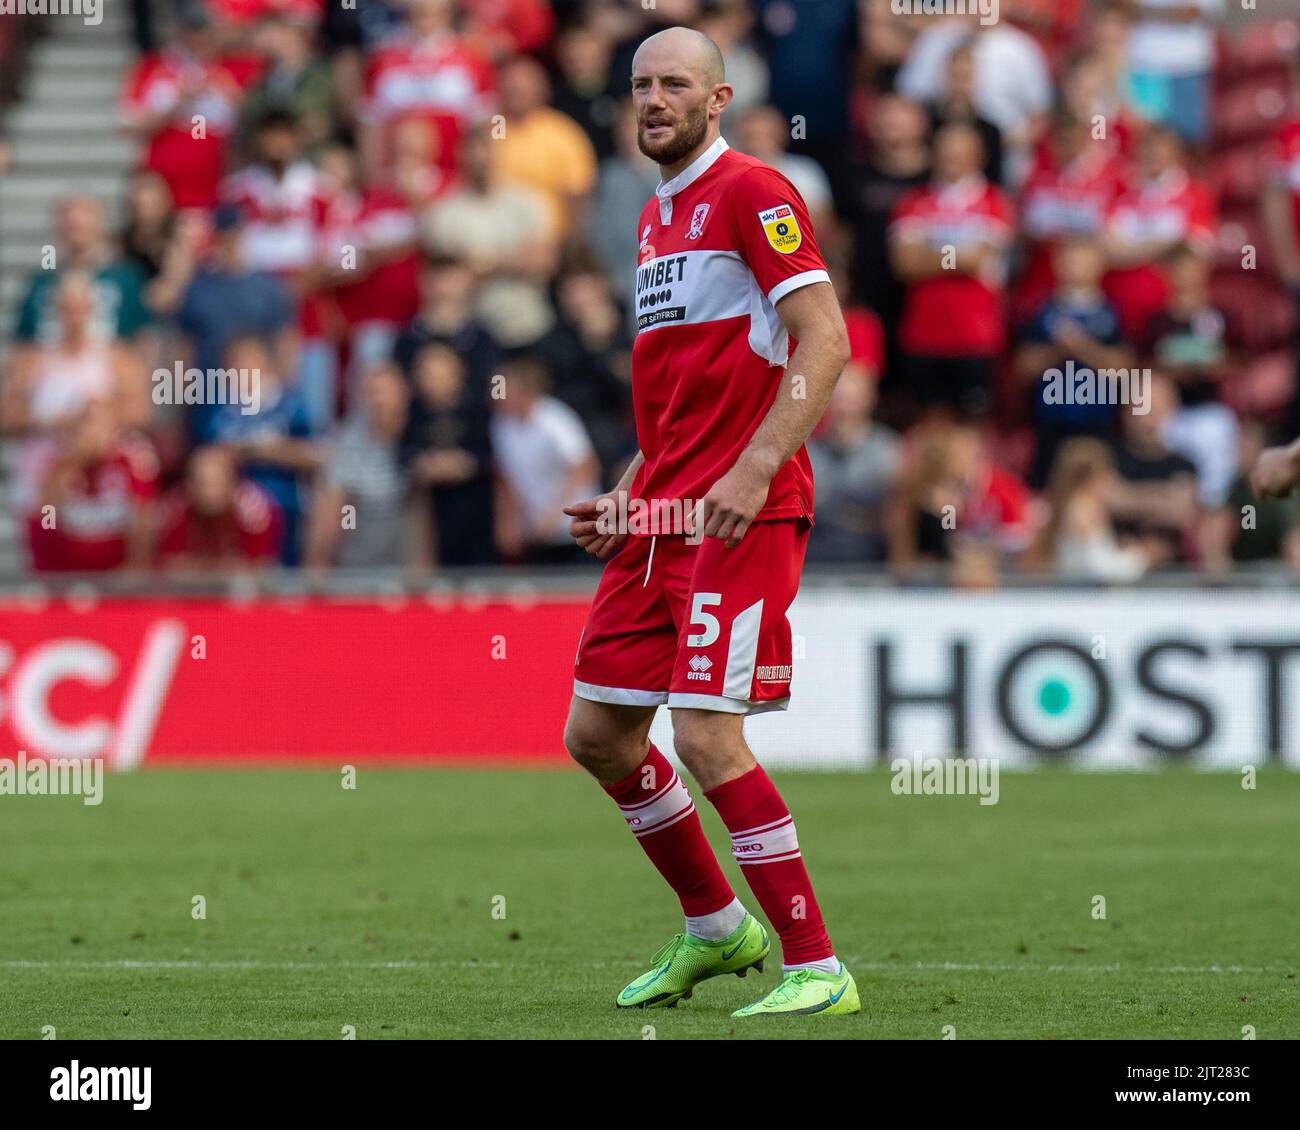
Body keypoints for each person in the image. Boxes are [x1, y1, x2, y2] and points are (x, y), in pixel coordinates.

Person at [560, 26, 858, 1018]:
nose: (654, 99)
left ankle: (817, 964)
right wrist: (629, 490)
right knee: (597, 732)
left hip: (743, 511)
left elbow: (827, 335)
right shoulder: (655, 217)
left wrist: (760, 460)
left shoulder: (753, 193)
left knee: (706, 736)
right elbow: (681, 400)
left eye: (674, 84)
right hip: (664, 514)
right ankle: (715, 926)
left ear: (717, 97)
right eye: (641, 83)